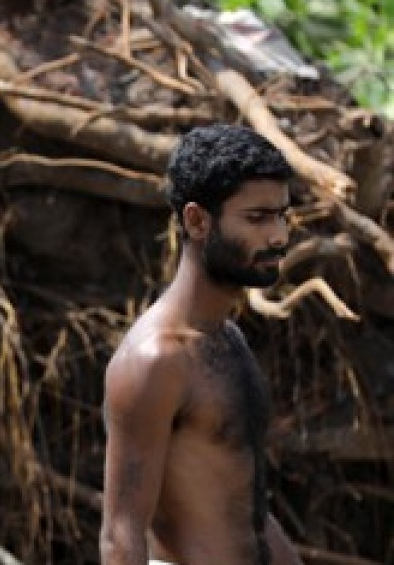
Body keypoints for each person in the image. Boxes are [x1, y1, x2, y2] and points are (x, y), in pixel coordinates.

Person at [100, 125, 304, 565]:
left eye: (282, 215)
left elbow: (246, 509)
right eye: (257, 218)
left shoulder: (229, 341)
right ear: (197, 221)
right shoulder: (154, 361)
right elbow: (121, 535)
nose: (278, 236)